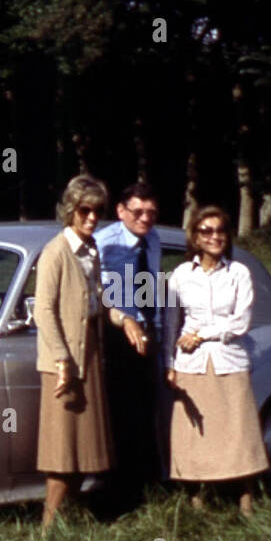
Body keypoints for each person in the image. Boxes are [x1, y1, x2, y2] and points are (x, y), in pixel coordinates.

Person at [35, 175, 147, 530]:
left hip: (90, 356)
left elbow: (102, 300)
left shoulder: (92, 251)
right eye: (85, 210)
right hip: (64, 362)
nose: (92, 217)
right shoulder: (55, 252)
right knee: (61, 450)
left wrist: (126, 320)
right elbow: (44, 311)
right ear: (70, 209)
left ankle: (78, 517)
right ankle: (48, 529)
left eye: (98, 211)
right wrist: (62, 359)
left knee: (84, 448)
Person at [164, 205, 268, 515]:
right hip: (190, 364)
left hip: (229, 361)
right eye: (206, 231)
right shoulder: (181, 275)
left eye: (220, 230)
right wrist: (169, 365)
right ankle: (198, 500)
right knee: (195, 434)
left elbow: (241, 321)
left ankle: (246, 501)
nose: (214, 237)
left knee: (238, 429)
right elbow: (172, 322)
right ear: (195, 237)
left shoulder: (239, 274)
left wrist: (203, 335)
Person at [94, 182, 165, 501]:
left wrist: (155, 326)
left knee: (146, 407)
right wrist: (126, 319)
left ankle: (147, 483)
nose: (145, 218)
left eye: (151, 212)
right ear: (121, 211)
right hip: (116, 332)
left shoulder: (154, 239)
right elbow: (101, 293)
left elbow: (151, 284)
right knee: (120, 411)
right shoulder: (103, 243)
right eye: (138, 211)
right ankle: (119, 490)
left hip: (147, 330)